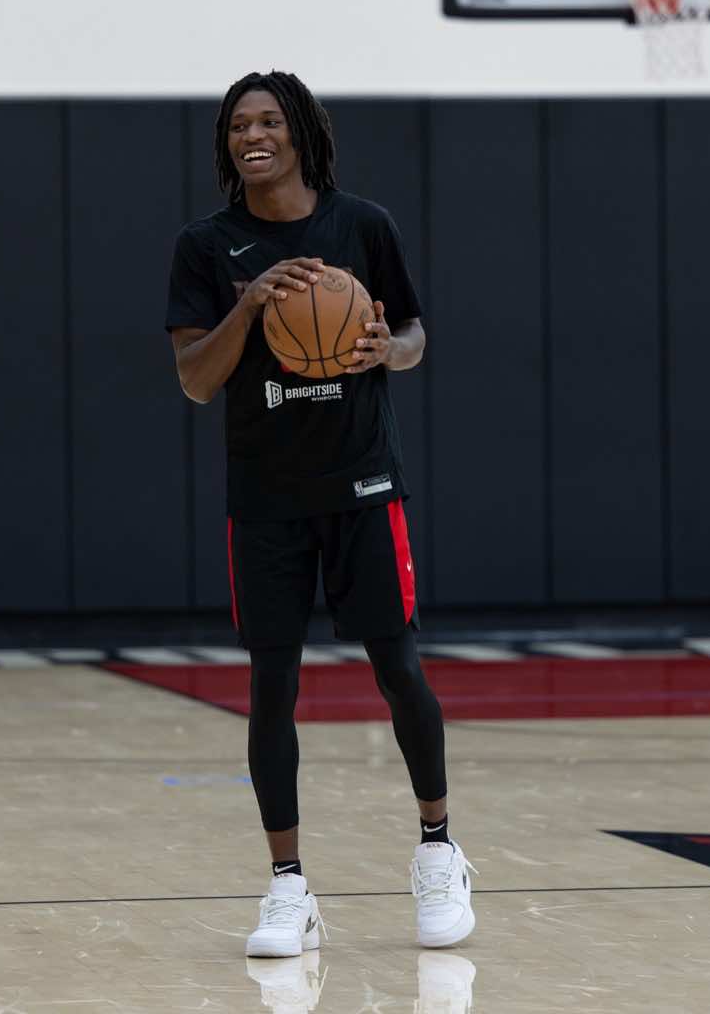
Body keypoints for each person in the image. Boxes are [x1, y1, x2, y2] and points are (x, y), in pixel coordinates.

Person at [164, 70, 475, 957]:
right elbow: (194, 378)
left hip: (363, 483)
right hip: (266, 496)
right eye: (237, 126)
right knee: (272, 687)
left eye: (267, 122)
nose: (251, 136)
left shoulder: (361, 226)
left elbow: (413, 334)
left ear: (300, 132)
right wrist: (252, 302)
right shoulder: (206, 247)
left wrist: (390, 347)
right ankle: (288, 887)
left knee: (398, 667)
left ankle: (438, 848)